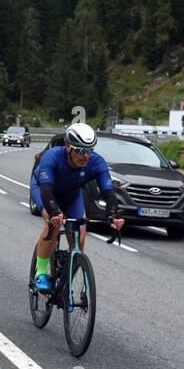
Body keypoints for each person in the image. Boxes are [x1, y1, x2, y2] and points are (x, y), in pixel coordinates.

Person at [29, 123, 124, 293]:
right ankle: (41, 273)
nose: (85, 156)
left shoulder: (96, 162)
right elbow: (46, 189)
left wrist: (113, 215)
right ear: (67, 147)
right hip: (44, 190)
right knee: (54, 224)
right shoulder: (52, 157)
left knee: (79, 240)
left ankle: (66, 284)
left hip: (71, 195)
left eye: (89, 151)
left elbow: (108, 191)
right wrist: (54, 212)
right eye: (80, 150)